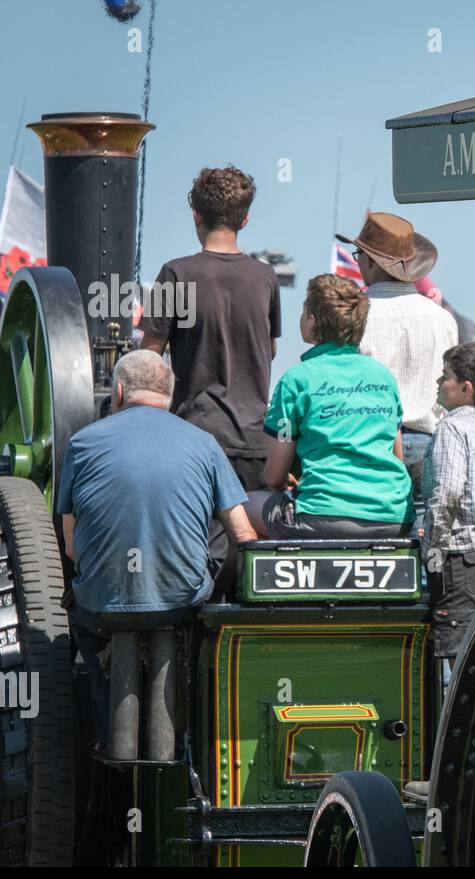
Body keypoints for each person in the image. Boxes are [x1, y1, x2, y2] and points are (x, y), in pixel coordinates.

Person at [56, 351, 257, 752]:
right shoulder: (204, 444)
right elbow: (243, 535)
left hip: (103, 602)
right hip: (181, 600)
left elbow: (73, 546)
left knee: (82, 617)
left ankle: (102, 738)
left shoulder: (81, 443)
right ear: (170, 394)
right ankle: (192, 734)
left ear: (117, 392)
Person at [140, 166, 281, 574]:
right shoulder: (264, 277)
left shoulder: (177, 274)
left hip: (195, 438)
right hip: (255, 440)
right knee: (245, 559)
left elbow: (148, 360)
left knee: (196, 553)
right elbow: (268, 351)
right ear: (245, 218)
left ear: (196, 215)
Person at [403, 342, 475, 803]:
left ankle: (450, 781)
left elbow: (445, 492)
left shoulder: (449, 431)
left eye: (446, 376)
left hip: (462, 557)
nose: (439, 383)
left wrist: (433, 547)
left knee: (457, 672)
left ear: (465, 388)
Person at [245, 274, 414, 540]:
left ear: (312, 321)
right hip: (393, 517)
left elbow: (275, 477)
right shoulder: (384, 377)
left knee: (242, 504)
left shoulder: (295, 380)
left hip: (320, 516)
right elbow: (397, 458)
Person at [336, 211, 458, 493]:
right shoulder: (442, 319)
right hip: (431, 444)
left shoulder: (354, 316)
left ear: (368, 260)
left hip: (372, 445)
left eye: (358, 255)